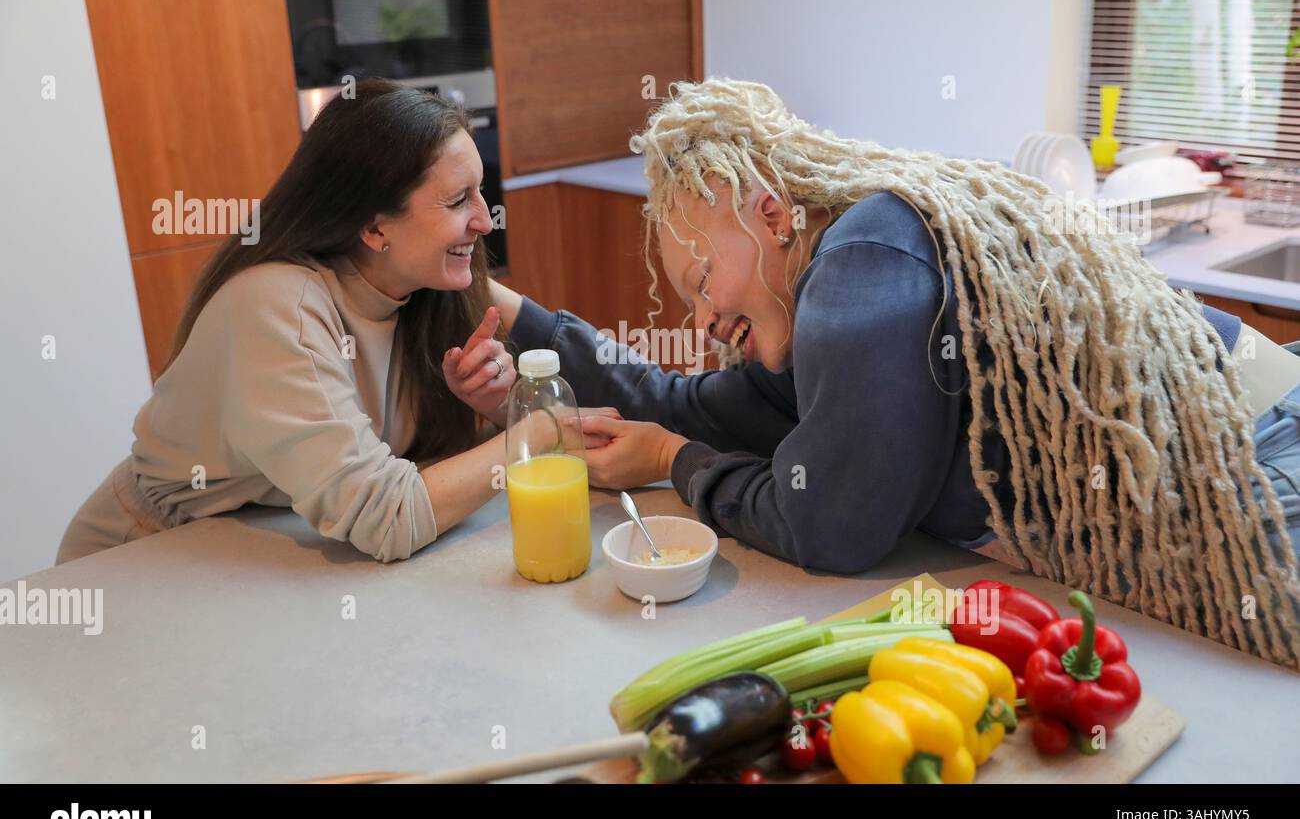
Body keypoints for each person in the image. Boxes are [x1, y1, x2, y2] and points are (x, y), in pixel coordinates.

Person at [487, 77, 1300, 668]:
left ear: (771, 213)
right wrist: (503, 306)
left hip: (1259, 454)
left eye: (702, 283)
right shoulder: (807, 315)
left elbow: (833, 529)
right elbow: (679, 400)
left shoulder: (860, 270)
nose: (700, 321)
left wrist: (674, 463)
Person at [58, 79, 553, 563]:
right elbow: (386, 518)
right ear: (374, 225)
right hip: (144, 559)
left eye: (480, 192)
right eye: (457, 199)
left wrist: (494, 411)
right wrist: (538, 433)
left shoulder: (420, 292)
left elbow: (418, 476)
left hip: (253, 546)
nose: (486, 221)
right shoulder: (276, 307)